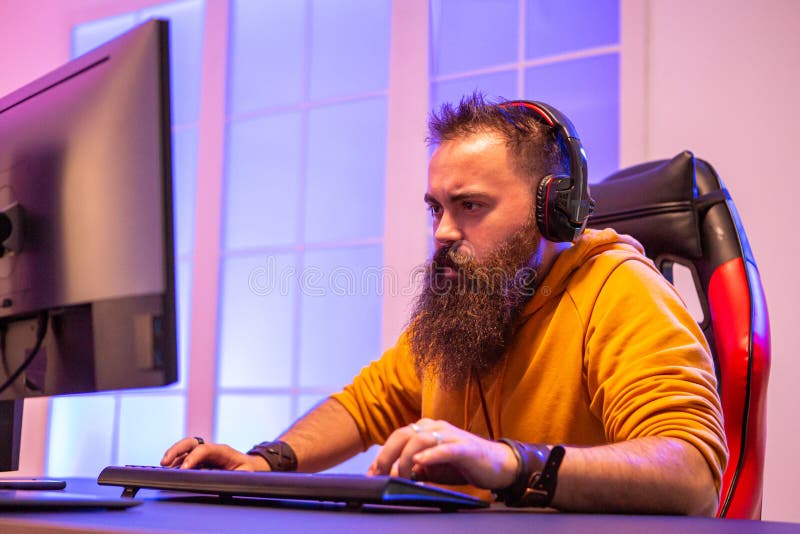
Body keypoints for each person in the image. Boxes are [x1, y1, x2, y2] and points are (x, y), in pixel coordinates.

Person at [161, 94, 727, 515]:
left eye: (471, 206)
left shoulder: (621, 292)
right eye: (436, 208)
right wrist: (264, 465)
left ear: (553, 210)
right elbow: (367, 405)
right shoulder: (471, 304)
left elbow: (693, 473)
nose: (443, 232)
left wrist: (510, 462)